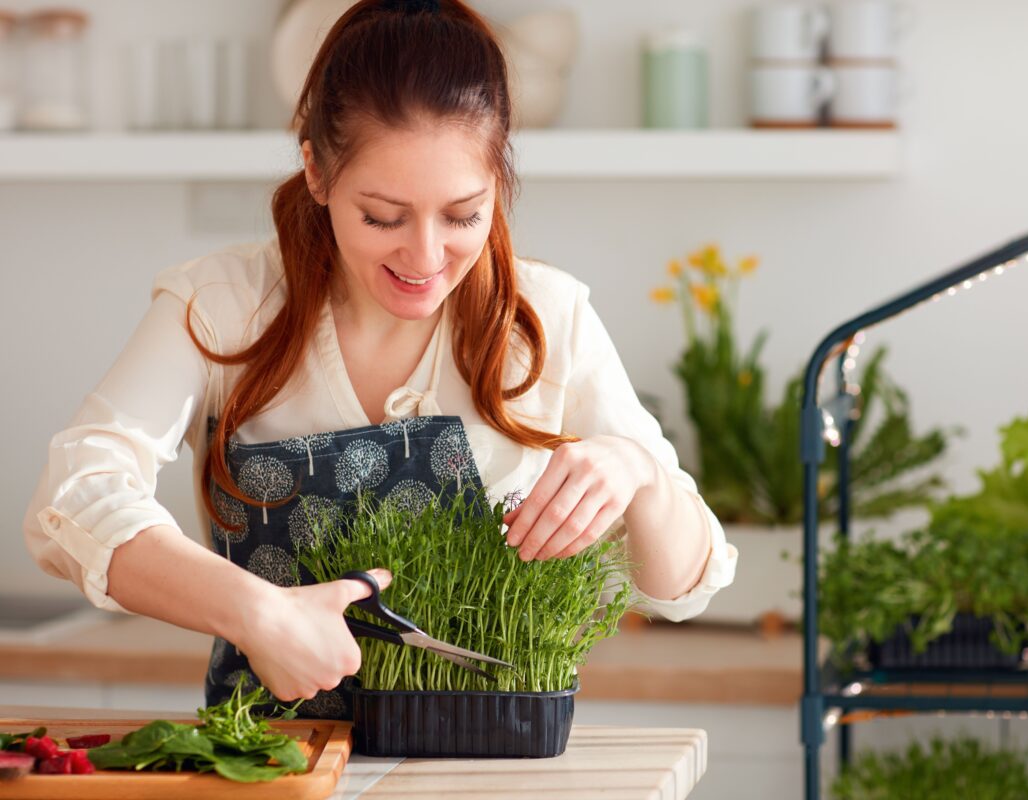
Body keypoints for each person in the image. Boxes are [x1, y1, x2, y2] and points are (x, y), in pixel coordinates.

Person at [22, 0, 736, 718]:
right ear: (316, 173)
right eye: (383, 217)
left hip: (495, 779)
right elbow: (72, 494)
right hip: (277, 771)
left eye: (463, 215)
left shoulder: (548, 317)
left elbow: (686, 585)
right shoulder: (222, 305)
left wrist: (636, 470)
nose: (425, 258)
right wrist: (253, 612)